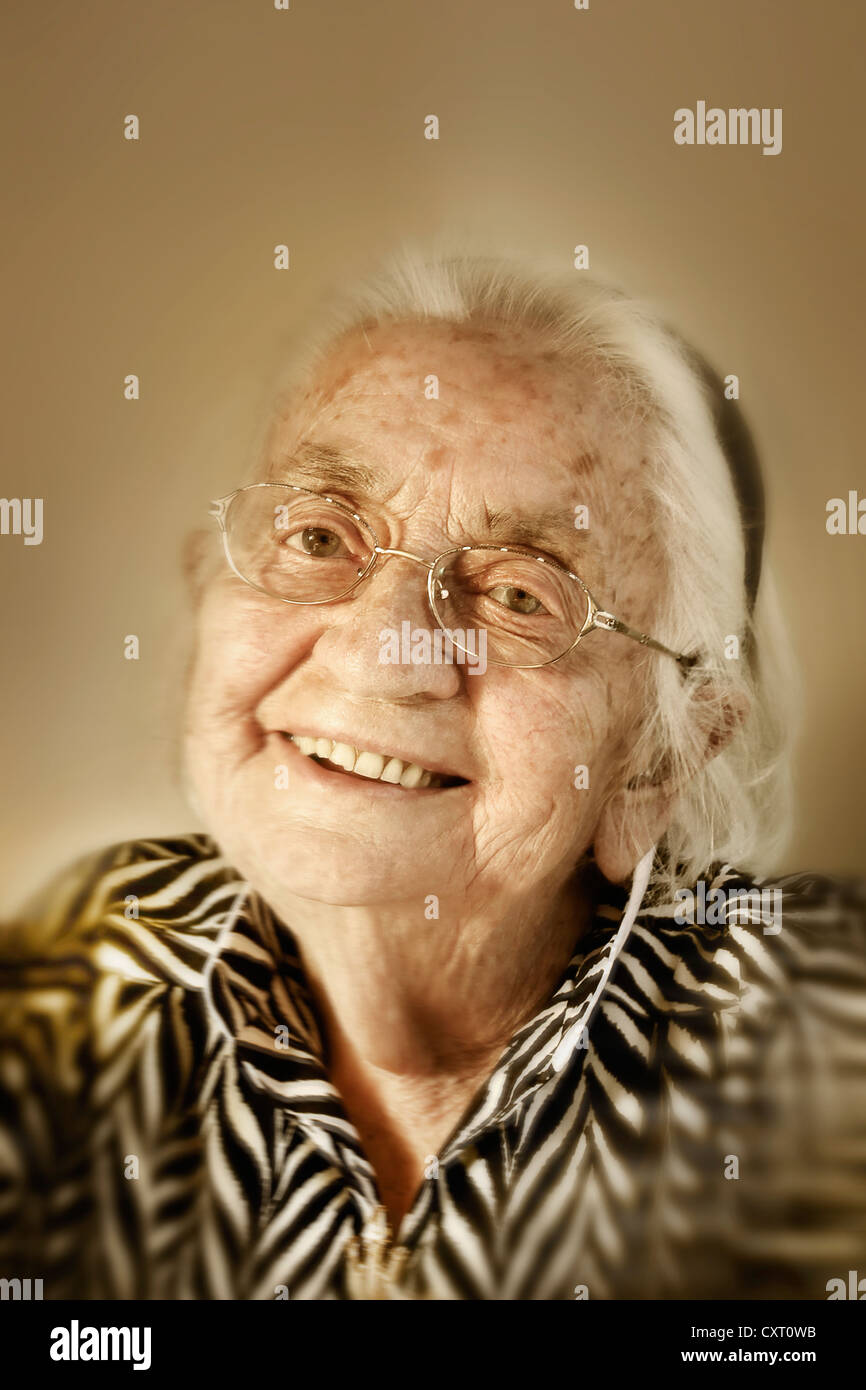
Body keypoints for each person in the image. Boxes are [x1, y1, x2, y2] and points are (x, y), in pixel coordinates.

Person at [2, 249, 864, 1300]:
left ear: (658, 758)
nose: (378, 652)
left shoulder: (827, 1043)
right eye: (318, 533)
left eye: (517, 597)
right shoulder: (68, 985)